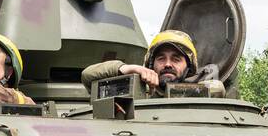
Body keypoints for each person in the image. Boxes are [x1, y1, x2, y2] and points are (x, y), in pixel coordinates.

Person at [81, 30, 219, 93]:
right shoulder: (136, 91)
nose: (167, 64)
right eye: (161, 58)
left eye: (176, 59)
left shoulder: (199, 94)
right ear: (151, 64)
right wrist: (128, 69)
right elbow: (87, 76)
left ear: (189, 67)